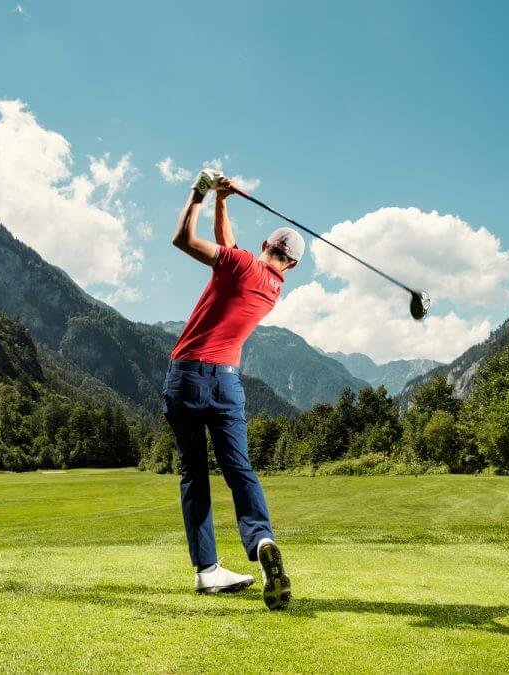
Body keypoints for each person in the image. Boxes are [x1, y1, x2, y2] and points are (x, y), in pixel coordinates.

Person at [164, 169, 305, 611]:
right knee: (239, 469)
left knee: (194, 476)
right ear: (292, 263)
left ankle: (207, 571)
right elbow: (229, 248)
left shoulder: (240, 263)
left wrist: (200, 192)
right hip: (226, 383)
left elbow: (183, 240)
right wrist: (225, 202)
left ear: (264, 245)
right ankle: (261, 537)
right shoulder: (273, 287)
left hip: (186, 377)